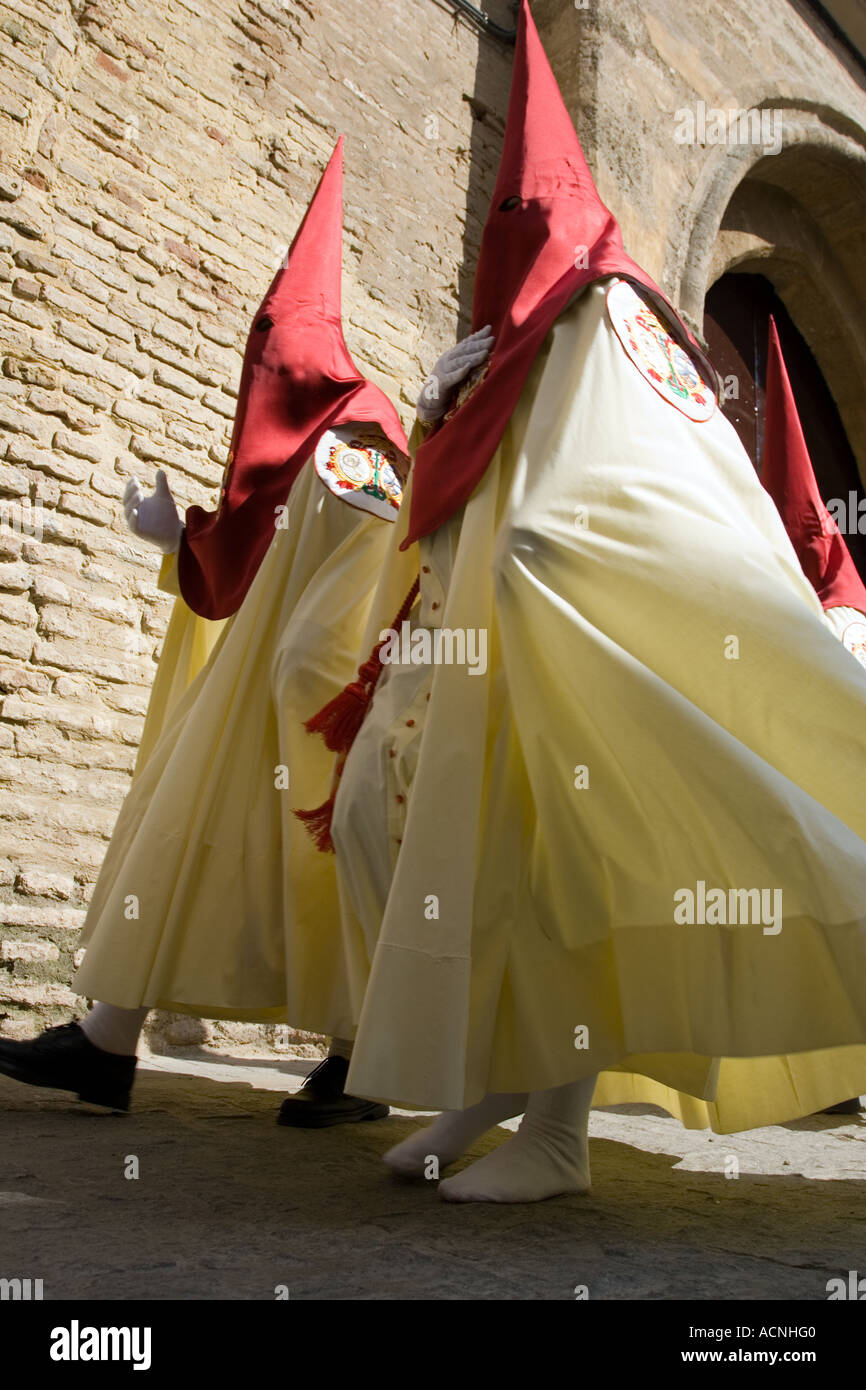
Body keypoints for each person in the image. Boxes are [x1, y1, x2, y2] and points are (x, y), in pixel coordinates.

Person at [302, 0, 866, 1202]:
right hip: (488, 664)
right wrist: (447, 412)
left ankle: (556, 1131)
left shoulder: (611, 311)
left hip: (595, 649)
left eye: (517, 216)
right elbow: (470, 504)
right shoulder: (522, 329)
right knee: (471, 857)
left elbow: (647, 490)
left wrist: (550, 565)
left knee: (575, 861)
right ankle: (493, 1085)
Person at [0, 141, 413, 1124]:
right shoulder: (319, 443)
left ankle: (360, 1058)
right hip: (266, 698)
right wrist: (185, 540)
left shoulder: (360, 438)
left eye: (275, 349)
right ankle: (107, 1039)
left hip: (316, 712)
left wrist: (307, 696)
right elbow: (263, 557)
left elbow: (350, 587)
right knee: (178, 834)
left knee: (307, 871)